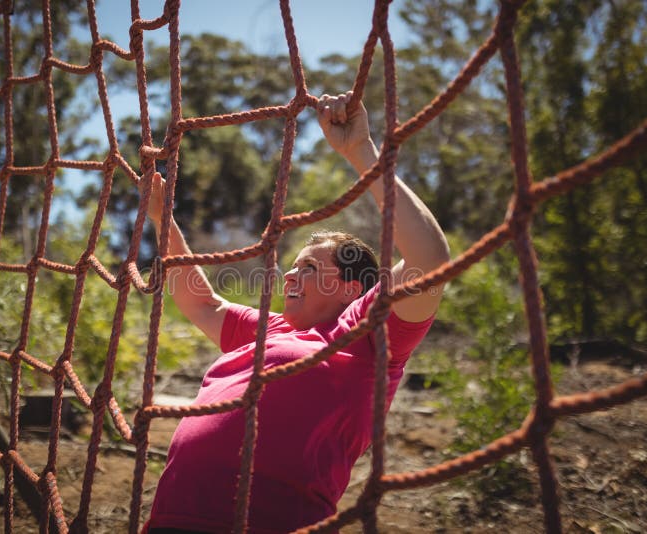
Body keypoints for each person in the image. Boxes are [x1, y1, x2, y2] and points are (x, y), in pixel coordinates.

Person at [140, 92, 450, 533]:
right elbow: (200, 302)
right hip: (170, 522)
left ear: (352, 289)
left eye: (307, 268)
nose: (288, 276)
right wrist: (161, 218)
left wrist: (361, 152)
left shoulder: (363, 338)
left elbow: (430, 260)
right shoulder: (269, 329)